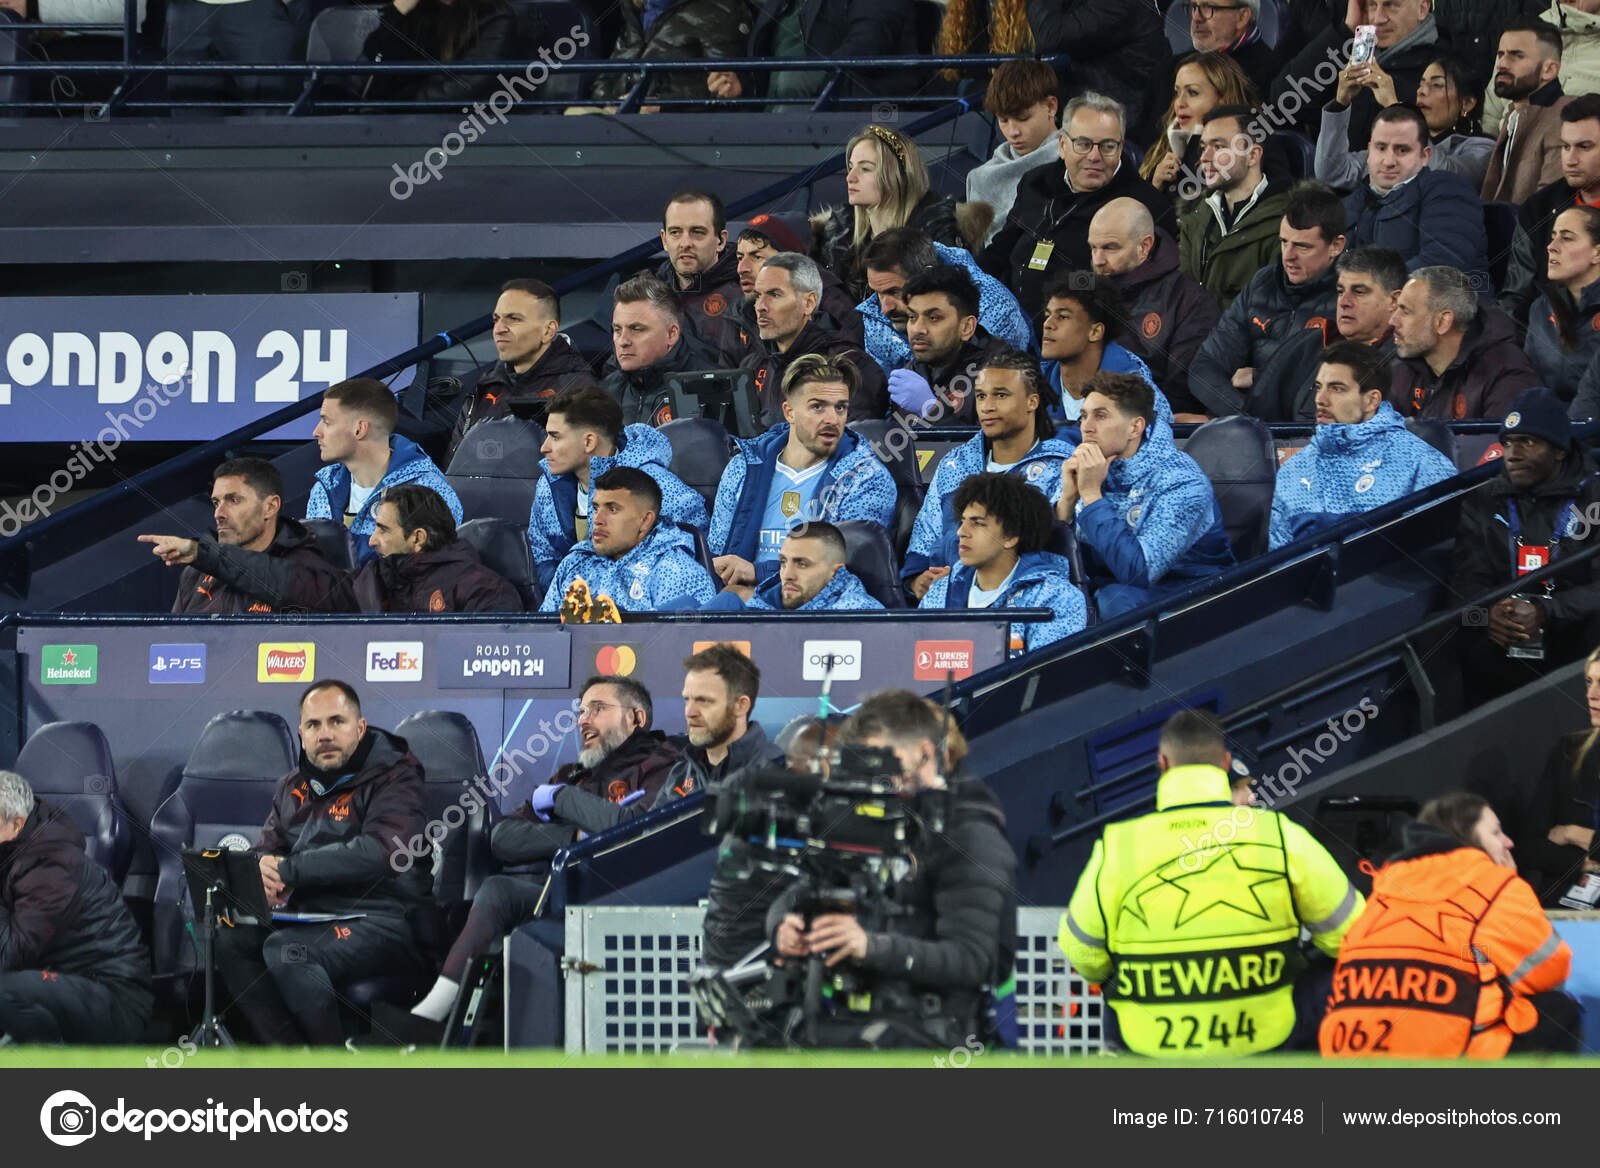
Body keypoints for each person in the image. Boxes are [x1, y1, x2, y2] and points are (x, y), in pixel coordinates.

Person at [1062, 709, 1363, 1057]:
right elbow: (1355, 937)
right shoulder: (1281, 835)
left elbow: (1082, 954)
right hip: (1266, 1044)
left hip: (1152, 1050)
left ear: (1162, 764)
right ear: (1225, 763)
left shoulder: (1118, 845)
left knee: (1115, 993)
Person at [402, 675, 682, 1038]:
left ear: (636, 718)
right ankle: (436, 1017)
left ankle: (442, 1021)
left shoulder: (663, 765)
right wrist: (574, 836)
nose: (583, 719)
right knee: (498, 890)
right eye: (581, 711)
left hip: (625, 900)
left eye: (598, 709)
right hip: (561, 893)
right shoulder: (571, 774)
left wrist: (563, 800)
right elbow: (503, 837)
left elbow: (637, 831)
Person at [768, 690, 1016, 1049]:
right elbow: (799, 891)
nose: (873, 776)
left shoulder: (972, 835)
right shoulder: (882, 819)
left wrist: (868, 946)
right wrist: (784, 925)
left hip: (944, 1045)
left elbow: (972, 961)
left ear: (926, 755)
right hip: (863, 1033)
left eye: (883, 761)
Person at [214, 680, 432, 1046]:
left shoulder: (397, 776)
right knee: (229, 936)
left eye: (337, 722)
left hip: (383, 917)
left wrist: (286, 869)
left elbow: (379, 852)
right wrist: (259, 872)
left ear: (360, 728)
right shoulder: (291, 786)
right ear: (301, 734)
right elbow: (266, 850)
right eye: (314, 725)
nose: (325, 734)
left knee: (286, 951)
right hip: (309, 916)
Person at [1320, 790, 1578, 1058]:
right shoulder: (1496, 883)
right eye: (1496, 833)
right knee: (1559, 1010)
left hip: (1347, 1058)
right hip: (1446, 1066)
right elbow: (1552, 969)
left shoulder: (1381, 894)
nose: (1509, 842)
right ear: (1468, 839)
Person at [1449, 386, 1600, 705]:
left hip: (1574, 637)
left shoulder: (1594, 498)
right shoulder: (1483, 499)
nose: (1512, 454)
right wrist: (1487, 615)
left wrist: (1547, 611)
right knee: (1445, 627)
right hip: (1506, 636)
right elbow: (1466, 581)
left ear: (1559, 449)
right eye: (1507, 443)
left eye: (1526, 442)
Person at [981, 92, 1178, 321]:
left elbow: (1134, 293)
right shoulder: (1034, 182)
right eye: (1083, 144)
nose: (1095, 156)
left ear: (1121, 147)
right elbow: (1001, 249)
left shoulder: (1145, 206)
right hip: (1007, 318)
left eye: (1107, 146)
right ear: (1063, 145)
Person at [709, 353, 896, 589]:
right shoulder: (743, 468)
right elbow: (718, 549)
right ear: (789, 412)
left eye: (841, 408)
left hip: (814, 609)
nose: (832, 419)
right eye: (817, 407)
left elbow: (845, 568)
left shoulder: (866, 478)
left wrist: (758, 572)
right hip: (738, 602)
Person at [1058, 372, 1234, 616]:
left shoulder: (1182, 482)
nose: (1086, 428)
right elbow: (1056, 564)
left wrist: (1091, 496)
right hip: (1110, 589)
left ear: (1135, 427)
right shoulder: (1088, 469)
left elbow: (1139, 572)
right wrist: (1066, 503)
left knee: (1114, 601)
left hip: (1193, 600)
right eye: (1083, 416)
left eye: (1101, 416)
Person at [904, 351, 1074, 599]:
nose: (987, 407)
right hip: (947, 603)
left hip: (1025, 601)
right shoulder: (955, 463)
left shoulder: (1062, 468)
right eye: (982, 396)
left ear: (1032, 402)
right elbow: (925, 537)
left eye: (1001, 395)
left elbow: (1061, 552)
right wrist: (918, 579)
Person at [0, 771, 152, 1044]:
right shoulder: (16, 856)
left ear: (16, 825)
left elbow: (11, 954)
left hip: (109, 996)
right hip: (57, 980)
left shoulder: (50, 866)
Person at [1269, 342, 1457, 548]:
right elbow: (1276, 558)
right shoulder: (1292, 470)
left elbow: (1439, 552)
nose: (1320, 400)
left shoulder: (1421, 462)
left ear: (1371, 400)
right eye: (1318, 387)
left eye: (1337, 389)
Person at [526, 384, 709, 592]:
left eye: (555, 437)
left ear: (589, 442)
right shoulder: (548, 485)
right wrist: (572, 595)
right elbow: (542, 556)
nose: (544, 447)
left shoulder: (654, 483)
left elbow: (696, 553)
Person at [1189, 181, 1348, 420]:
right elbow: (1204, 367)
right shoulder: (1263, 284)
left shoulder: (1350, 298)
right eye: (1284, 242)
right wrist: (1249, 422)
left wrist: (1259, 376)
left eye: (1303, 247)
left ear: (1336, 245)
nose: (1289, 256)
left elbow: (1335, 388)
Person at [141, 457, 346, 614]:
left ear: (270, 507)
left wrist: (203, 554)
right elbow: (174, 646)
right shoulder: (196, 573)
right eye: (216, 502)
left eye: (234, 500)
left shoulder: (305, 566)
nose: (219, 514)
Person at [921, 473, 1087, 656]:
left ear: (1011, 536)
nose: (961, 532)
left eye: (978, 524)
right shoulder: (940, 591)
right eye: (962, 522)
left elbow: (1045, 680)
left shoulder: (1057, 599)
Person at [307, 377, 462, 565]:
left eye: (327, 422)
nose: (316, 431)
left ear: (359, 429)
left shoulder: (430, 491)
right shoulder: (323, 489)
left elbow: (437, 572)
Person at [1089, 198, 1220, 419]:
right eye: (1093, 248)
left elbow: (1184, 391)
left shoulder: (1187, 302)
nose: (1098, 260)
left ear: (1144, 246)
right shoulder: (1083, 293)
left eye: (1110, 248)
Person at [1340, 105, 1491, 288]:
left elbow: (1443, 265)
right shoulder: (1357, 198)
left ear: (1425, 156)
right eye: (1381, 148)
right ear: (1369, 151)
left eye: (1402, 150)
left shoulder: (1448, 190)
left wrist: (1369, 287)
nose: (1388, 161)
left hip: (1443, 310)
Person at [810, 124, 964, 302]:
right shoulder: (838, 232)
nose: (850, 177)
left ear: (895, 176)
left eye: (865, 169)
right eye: (850, 167)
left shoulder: (936, 231)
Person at [447, 279, 595, 460]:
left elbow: (583, 468)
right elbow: (453, 465)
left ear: (548, 331)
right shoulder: (485, 386)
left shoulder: (578, 389)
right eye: (496, 319)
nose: (499, 329)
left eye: (514, 319)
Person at [539, 466, 718, 614]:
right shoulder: (574, 563)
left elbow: (684, 647)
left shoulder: (677, 572)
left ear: (645, 520)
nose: (597, 519)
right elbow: (543, 635)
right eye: (595, 508)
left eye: (613, 509)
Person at [858, 227, 1033, 374]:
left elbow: (987, 397)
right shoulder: (875, 314)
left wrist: (929, 406)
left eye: (895, 292)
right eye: (878, 293)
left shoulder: (994, 310)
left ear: (927, 274)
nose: (884, 308)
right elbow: (873, 398)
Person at [1273, 0, 1441, 152]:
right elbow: (1284, 103)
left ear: (1422, 8)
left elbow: (1437, 156)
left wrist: (1393, 104)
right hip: (1337, 179)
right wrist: (1345, 31)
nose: (1378, 18)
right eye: (1372, 5)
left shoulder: (1440, 71)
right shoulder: (1349, 57)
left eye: (1391, 5)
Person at [1316, 54, 1495, 192]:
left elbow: (1442, 176)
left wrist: (1395, 107)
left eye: (1437, 85)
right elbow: (1333, 172)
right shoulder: (1393, 145)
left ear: (1467, 103)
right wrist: (1341, 103)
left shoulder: (1484, 149)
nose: (1422, 91)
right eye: (1421, 83)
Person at [745, 252, 887, 425]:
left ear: (809, 303)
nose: (760, 306)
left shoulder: (850, 365)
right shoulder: (752, 365)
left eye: (774, 295)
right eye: (758, 295)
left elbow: (854, 444)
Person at [1178, 105, 1294, 312]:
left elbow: (1271, 309)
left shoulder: (1288, 221)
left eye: (1219, 147)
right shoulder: (1194, 217)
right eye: (1203, 147)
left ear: (1252, 156)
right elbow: (1181, 294)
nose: (1205, 157)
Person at [1502, 94, 1600, 332]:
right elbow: (1516, 298)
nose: (1571, 159)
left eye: (1584, 147)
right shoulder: (1538, 209)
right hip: (1548, 339)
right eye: (1565, 146)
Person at [1388, 265, 1539, 419]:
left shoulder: (1506, 373)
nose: (1393, 321)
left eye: (1405, 311)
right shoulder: (1401, 369)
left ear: (1442, 322)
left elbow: (1503, 442)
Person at [343, 484, 522, 612]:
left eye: (384, 530)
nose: (372, 541)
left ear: (418, 538)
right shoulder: (372, 579)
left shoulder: (484, 591)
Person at [708, 0, 916, 105]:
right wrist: (744, 83)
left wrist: (801, 78)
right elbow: (767, 58)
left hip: (844, 119)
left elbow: (865, 47)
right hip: (772, 115)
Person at [1517, 648, 1600, 905]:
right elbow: (1528, 845)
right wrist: (1582, 862)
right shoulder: (1568, 752)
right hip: (1565, 895)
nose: (1591, 695)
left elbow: (1554, 837)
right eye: (1589, 682)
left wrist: (1572, 833)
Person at [888, 264, 1016, 426]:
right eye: (912, 317)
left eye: (934, 318)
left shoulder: (1002, 373)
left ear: (966, 327)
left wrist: (930, 410)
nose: (918, 329)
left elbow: (992, 447)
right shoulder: (911, 374)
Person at [645, 189, 757, 365]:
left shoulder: (750, 295)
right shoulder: (645, 294)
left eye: (697, 232)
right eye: (675, 232)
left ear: (720, 240)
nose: (685, 243)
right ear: (664, 240)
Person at [1141, 51, 1260, 209]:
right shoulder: (1170, 143)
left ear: (1223, 98)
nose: (1179, 103)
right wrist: (1155, 185)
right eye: (1177, 92)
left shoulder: (1251, 145)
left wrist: (1196, 142)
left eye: (1192, 92)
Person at [1038, 274, 1164, 422]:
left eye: (1063, 317)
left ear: (1095, 332)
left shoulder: (1135, 387)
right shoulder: (1033, 381)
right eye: (1048, 315)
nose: (1047, 324)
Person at [967, 58, 1064, 249]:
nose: (1013, 132)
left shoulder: (1080, 164)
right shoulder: (979, 178)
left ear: (1051, 107)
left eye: (1023, 118)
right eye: (1003, 120)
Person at [601, 273, 717, 427]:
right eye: (617, 330)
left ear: (671, 334)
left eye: (636, 329)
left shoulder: (710, 388)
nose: (623, 341)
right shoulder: (608, 390)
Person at [587, 0, 753, 107]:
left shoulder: (718, 9)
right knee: (573, 115)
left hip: (674, 134)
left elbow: (724, 92)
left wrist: (661, 104)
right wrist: (611, 103)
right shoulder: (634, 12)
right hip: (619, 125)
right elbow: (607, 77)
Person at [360, 0, 529, 103]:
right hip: (402, 120)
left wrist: (402, 102)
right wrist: (396, 12)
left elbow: (466, 87)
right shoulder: (419, 10)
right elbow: (376, 57)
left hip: (460, 127)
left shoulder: (495, 16)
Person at [1480, 21, 1571, 206]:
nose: (1501, 64)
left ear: (1549, 69)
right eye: (1500, 54)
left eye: (1516, 56)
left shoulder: (1565, 118)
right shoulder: (1513, 115)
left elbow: (1546, 208)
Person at [734, 214, 864, 343]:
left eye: (757, 257)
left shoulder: (833, 307)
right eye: (740, 258)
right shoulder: (742, 313)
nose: (742, 268)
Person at [707, 522, 884, 612]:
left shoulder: (861, 619)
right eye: (784, 562)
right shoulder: (764, 602)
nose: (787, 575)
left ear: (834, 572)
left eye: (802, 564)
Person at [1527, 206, 1600, 405]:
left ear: (1597, 253)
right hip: (1548, 429)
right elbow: (1530, 382)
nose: (1551, 246)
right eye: (1553, 236)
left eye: (1566, 238)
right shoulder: (1541, 309)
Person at [1186, 0, 1279, 97]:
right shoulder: (1180, 66)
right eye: (1194, 7)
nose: (1196, 17)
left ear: (1242, 17)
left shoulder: (1267, 77)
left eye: (1209, 8)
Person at [1334, 245, 1407, 351]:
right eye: (1340, 291)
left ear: (1394, 300)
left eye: (1359, 292)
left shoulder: (1407, 360)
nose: (1344, 302)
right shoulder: (1311, 344)